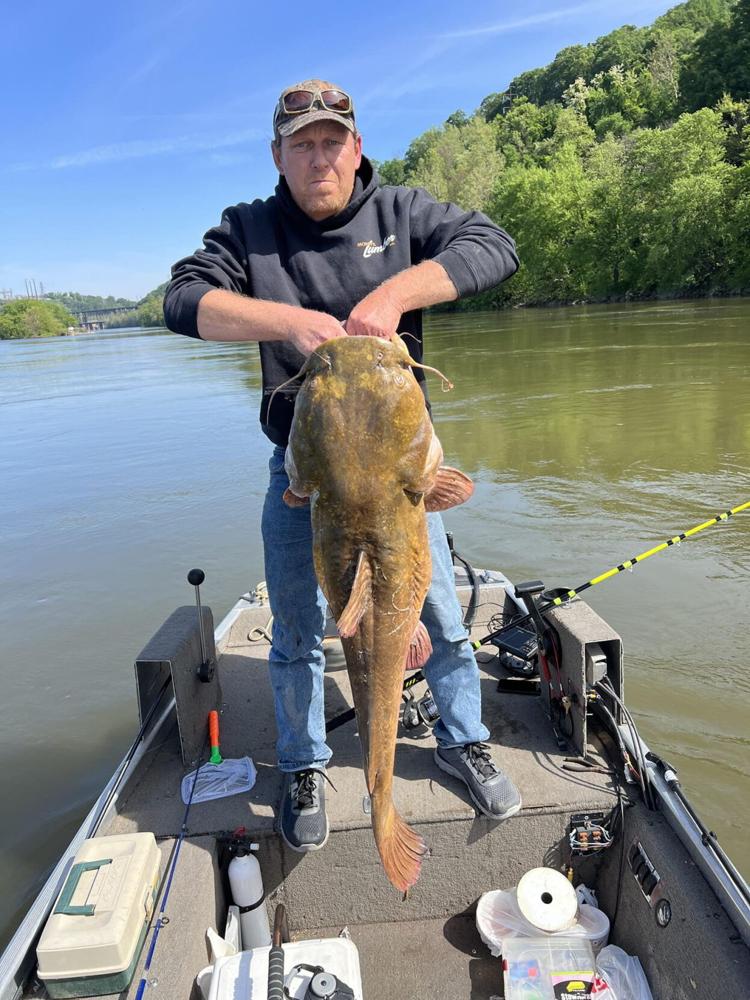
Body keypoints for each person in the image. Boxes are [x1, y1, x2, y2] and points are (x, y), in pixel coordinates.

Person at [164, 79, 521, 853]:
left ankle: (463, 739)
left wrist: (394, 295)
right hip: (308, 483)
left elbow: (495, 247)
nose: (319, 157)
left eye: (333, 141)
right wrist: (287, 321)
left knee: (442, 619)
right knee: (296, 628)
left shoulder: (402, 213)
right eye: (303, 144)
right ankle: (303, 763)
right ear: (278, 155)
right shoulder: (249, 230)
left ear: (357, 149)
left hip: (402, 482)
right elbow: (182, 300)